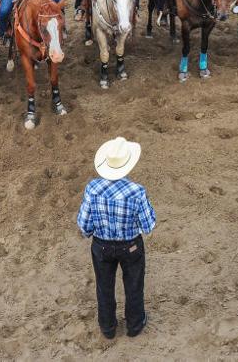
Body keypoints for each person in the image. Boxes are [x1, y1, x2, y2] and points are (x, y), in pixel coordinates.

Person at [77, 137, 157, 340]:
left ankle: (108, 327)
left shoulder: (92, 188)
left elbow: (84, 224)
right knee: (134, 285)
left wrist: (90, 233)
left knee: (104, 286)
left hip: (101, 246)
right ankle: (135, 325)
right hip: (130, 246)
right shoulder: (137, 191)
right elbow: (148, 225)